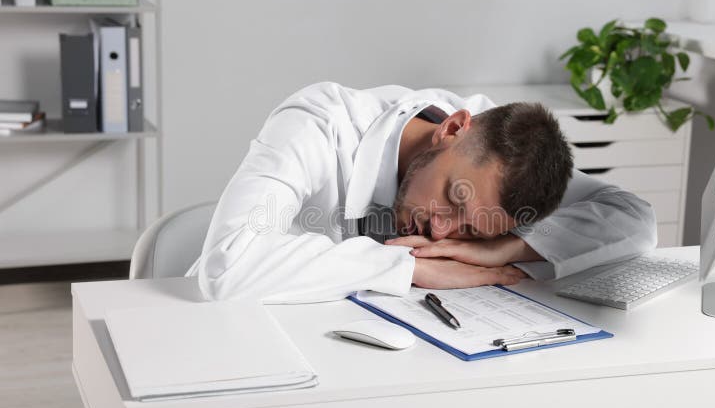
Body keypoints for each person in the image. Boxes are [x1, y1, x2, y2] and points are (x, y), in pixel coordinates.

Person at [189, 82, 657, 302]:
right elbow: (228, 267)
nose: (439, 230)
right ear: (451, 128)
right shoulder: (318, 123)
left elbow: (634, 216)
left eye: (469, 228)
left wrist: (501, 249)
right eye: (453, 199)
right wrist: (407, 266)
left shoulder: (506, 163)